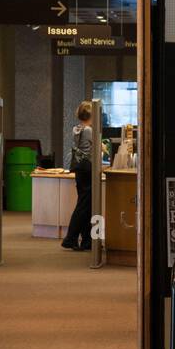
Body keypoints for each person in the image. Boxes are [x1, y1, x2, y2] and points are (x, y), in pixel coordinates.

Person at [62, 101, 95, 251]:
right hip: (87, 169)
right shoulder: (88, 130)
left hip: (79, 169)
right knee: (83, 205)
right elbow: (95, 149)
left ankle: (86, 241)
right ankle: (70, 238)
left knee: (85, 205)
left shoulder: (77, 128)